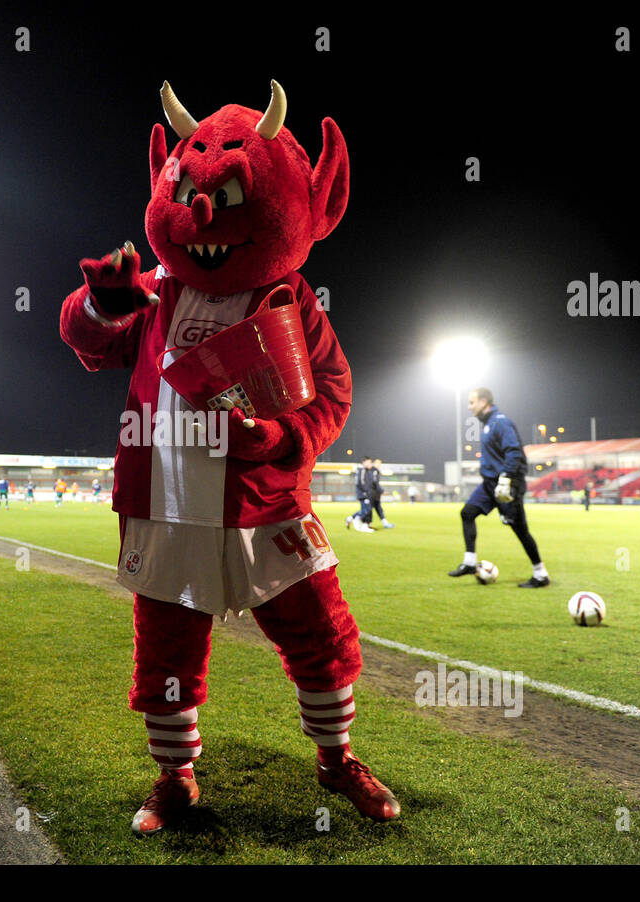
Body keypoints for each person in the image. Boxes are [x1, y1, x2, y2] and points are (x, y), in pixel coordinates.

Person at [59, 81, 399, 835]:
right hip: (167, 505)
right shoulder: (156, 289)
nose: (206, 215)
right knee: (166, 651)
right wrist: (102, 304)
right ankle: (175, 777)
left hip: (265, 503)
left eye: (234, 195)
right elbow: (86, 342)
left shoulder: (291, 299)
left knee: (320, 630)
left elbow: (333, 392)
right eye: (190, 193)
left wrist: (279, 439)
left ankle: (336, 758)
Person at [447, 388, 549, 587]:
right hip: (489, 484)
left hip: (506, 484)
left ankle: (541, 574)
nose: (469, 407)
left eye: (472, 402)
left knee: (520, 529)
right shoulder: (488, 424)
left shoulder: (500, 422)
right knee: (467, 513)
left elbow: (514, 452)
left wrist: (506, 478)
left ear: (484, 402)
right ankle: (470, 562)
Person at [345, 456, 375, 532]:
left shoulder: (365, 470)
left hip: (365, 493)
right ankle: (356, 519)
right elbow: (360, 482)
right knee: (367, 510)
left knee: (365, 509)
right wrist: (366, 491)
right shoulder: (362, 470)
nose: (370, 464)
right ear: (364, 462)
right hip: (363, 494)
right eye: (369, 462)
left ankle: (350, 518)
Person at [368, 459, 393, 529]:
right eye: (378, 463)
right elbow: (375, 482)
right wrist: (381, 491)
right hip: (372, 494)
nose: (379, 465)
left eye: (380, 464)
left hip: (375, 494)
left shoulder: (373, 471)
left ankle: (385, 523)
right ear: (374, 463)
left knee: (379, 509)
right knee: (368, 510)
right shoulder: (374, 471)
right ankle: (353, 518)